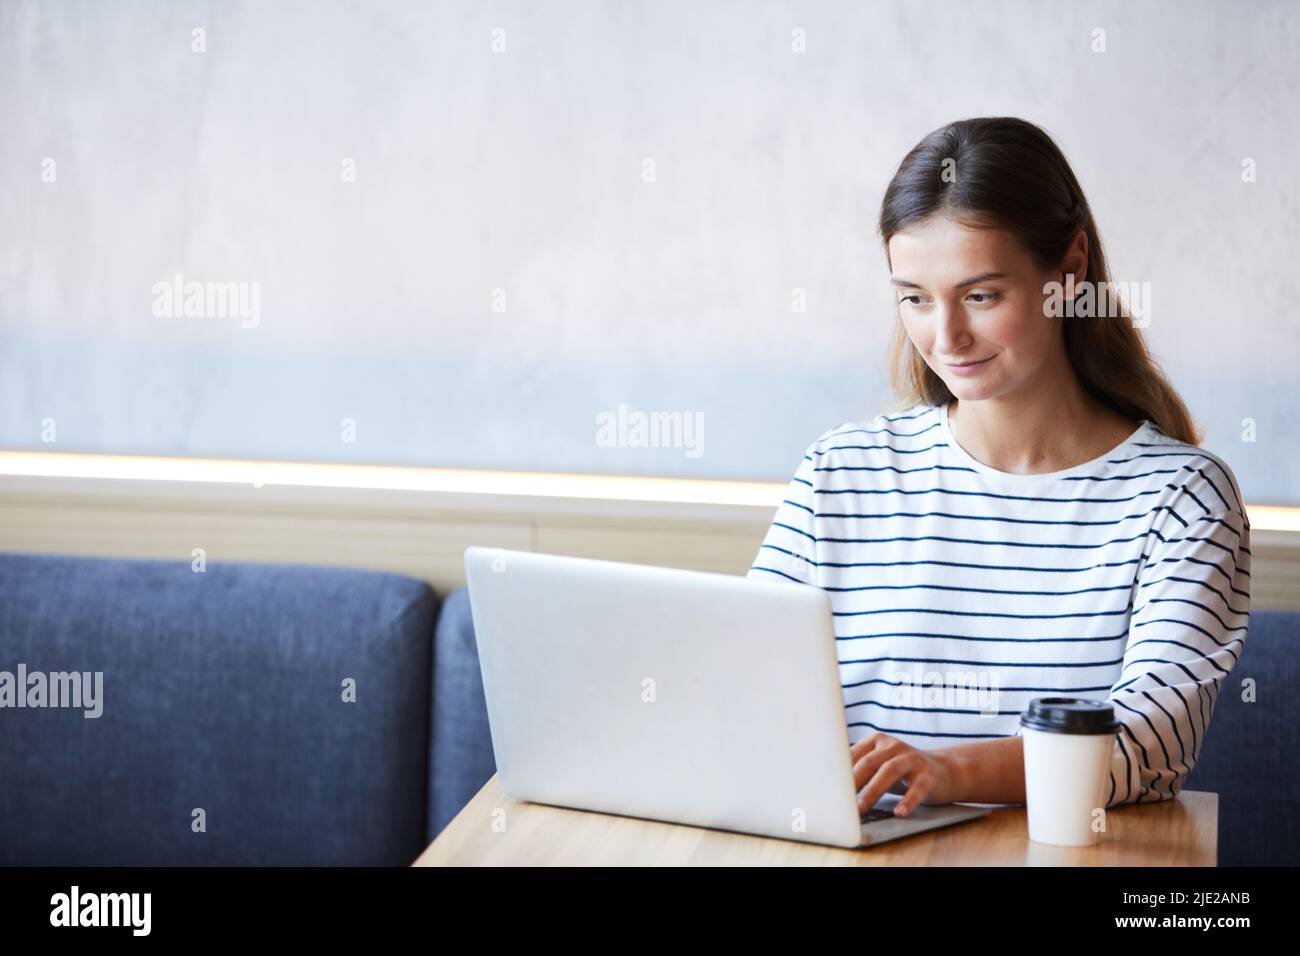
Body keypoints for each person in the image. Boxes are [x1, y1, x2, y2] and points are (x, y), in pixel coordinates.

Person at [748, 117, 1250, 819]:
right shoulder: (840, 474)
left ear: (1069, 271)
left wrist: (948, 773)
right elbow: (741, 684)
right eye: (914, 298)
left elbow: (1147, 745)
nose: (944, 337)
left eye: (981, 296)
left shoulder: (1182, 501)